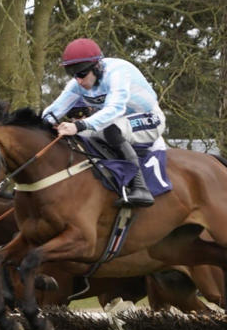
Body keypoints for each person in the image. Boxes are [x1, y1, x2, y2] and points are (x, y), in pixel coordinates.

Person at [41, 38, 165, 207]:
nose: (77, 80)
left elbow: (115, 108)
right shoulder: (78, 83)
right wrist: (39, 127)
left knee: (112, 131)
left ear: (97, 67)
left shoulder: (117, 73)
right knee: (78, 137)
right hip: (115, 120)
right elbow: (55, 110)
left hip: (150, 118)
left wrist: (78, 125)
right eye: (73, 74)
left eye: (81, 74)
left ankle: (140, 188)